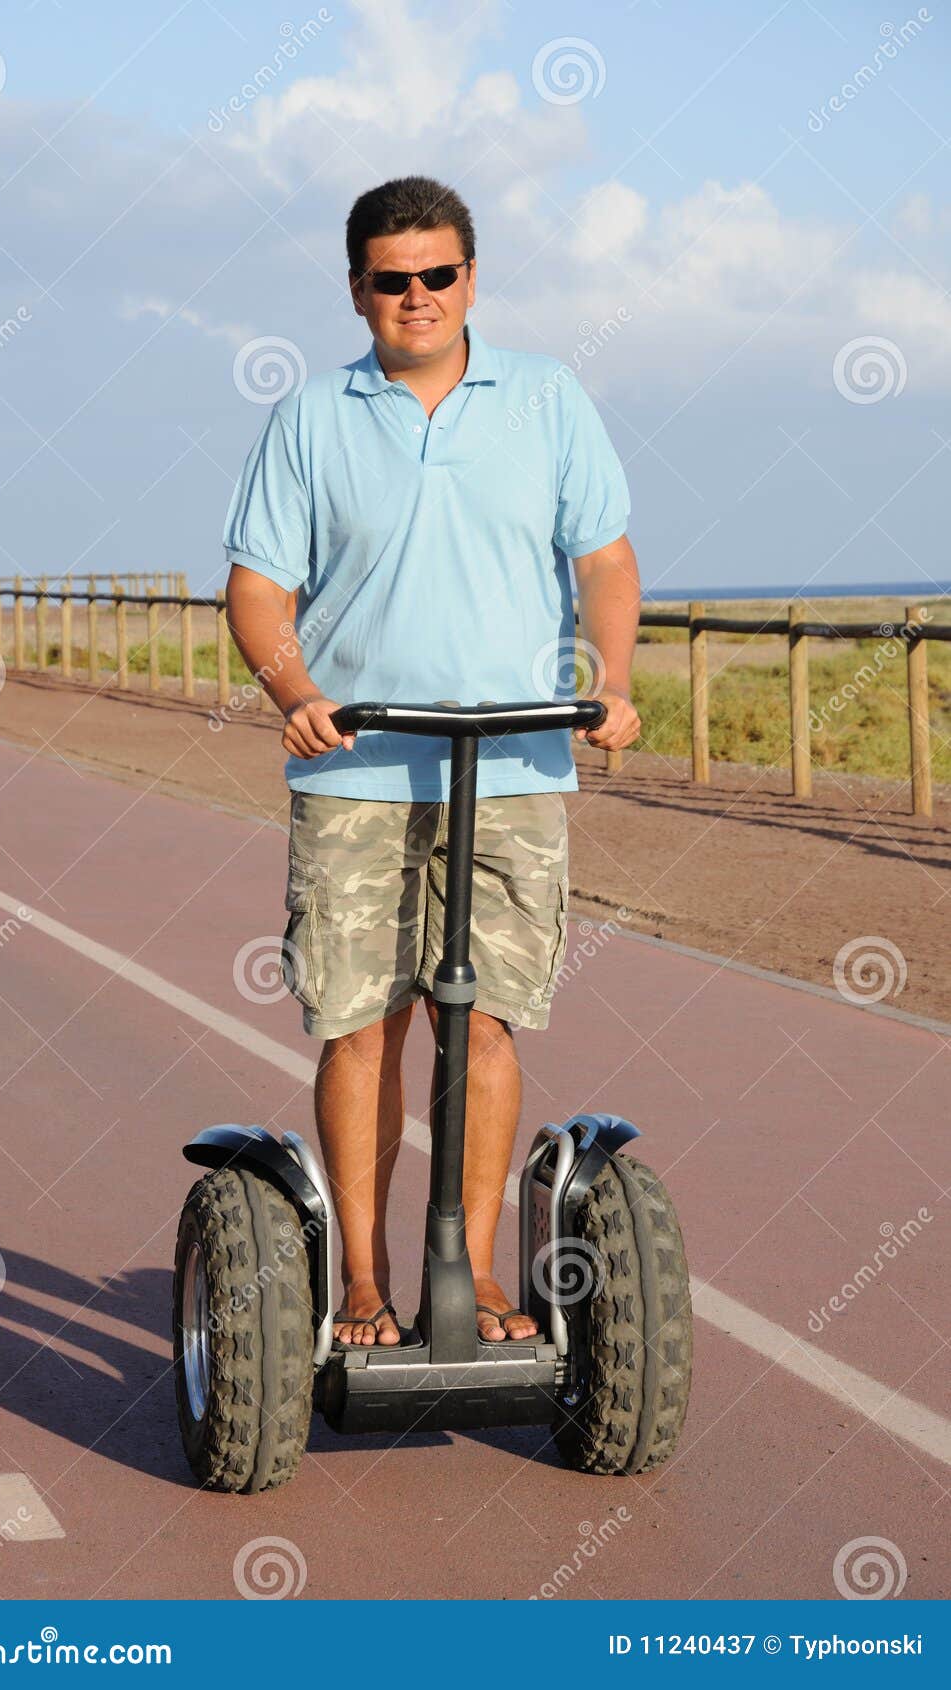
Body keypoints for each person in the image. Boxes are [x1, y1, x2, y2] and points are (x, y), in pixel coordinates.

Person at [223, 176, 640, 1349]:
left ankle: (480, 1277)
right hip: (358, 768)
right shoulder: (309, 417)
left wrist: (607, 678)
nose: (417, 297)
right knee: (361, 1023)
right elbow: (259, 586)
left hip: (510, 762)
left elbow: (605, 560)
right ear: (357, 289)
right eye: (391, 279)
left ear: (471, 277)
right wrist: (295, 692)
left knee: (488, 1022)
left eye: (438, 275)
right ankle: (360, 1282)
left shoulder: (548, 398)